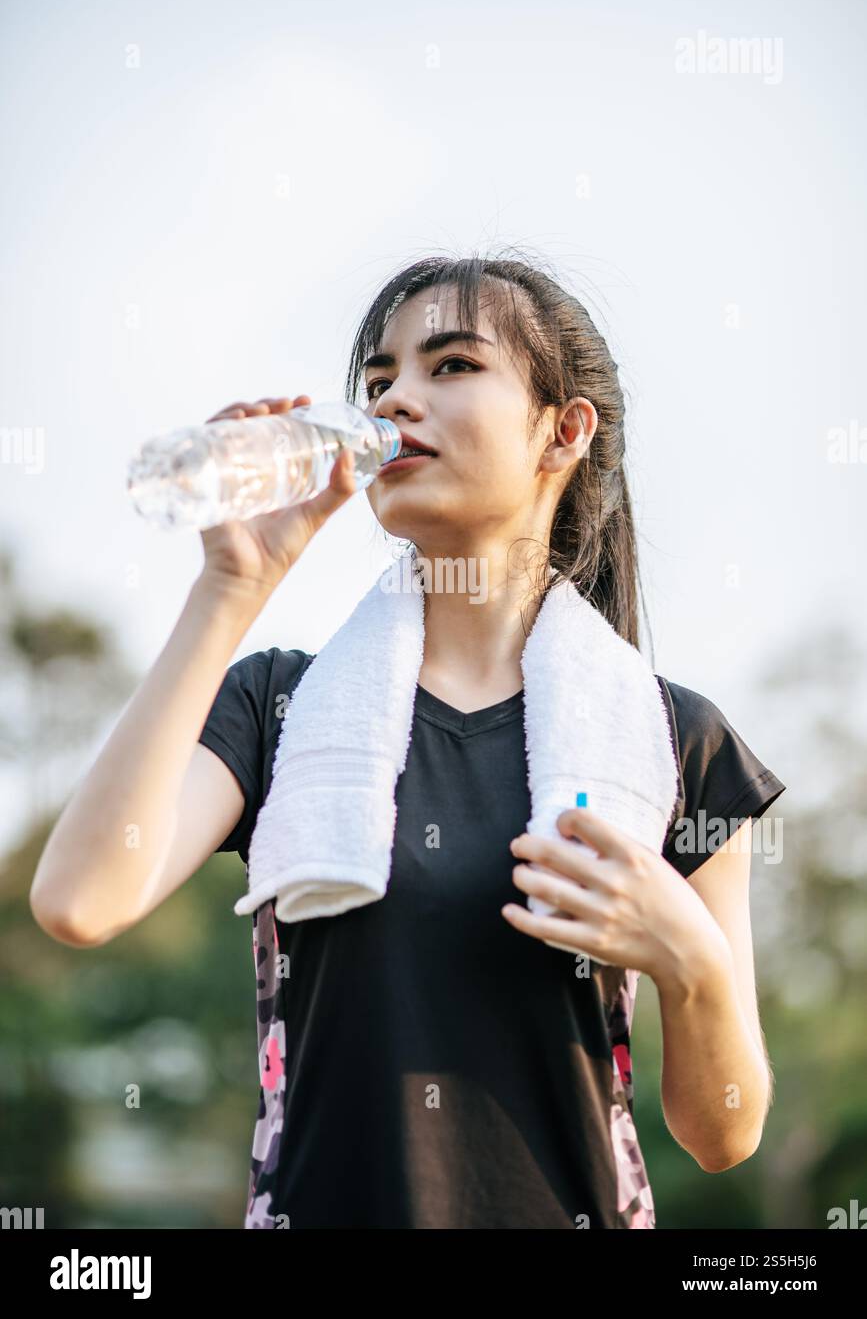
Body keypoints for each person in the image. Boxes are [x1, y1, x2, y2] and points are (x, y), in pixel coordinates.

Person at [30, 251, 785, 1230]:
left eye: (452, 366)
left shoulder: (674, 740)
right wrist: (231, 586)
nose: (396, 402)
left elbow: (725, 1134)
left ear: (564, 430)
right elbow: (80, 901)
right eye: (379, 380)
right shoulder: (282, 708)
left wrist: (692, 959)